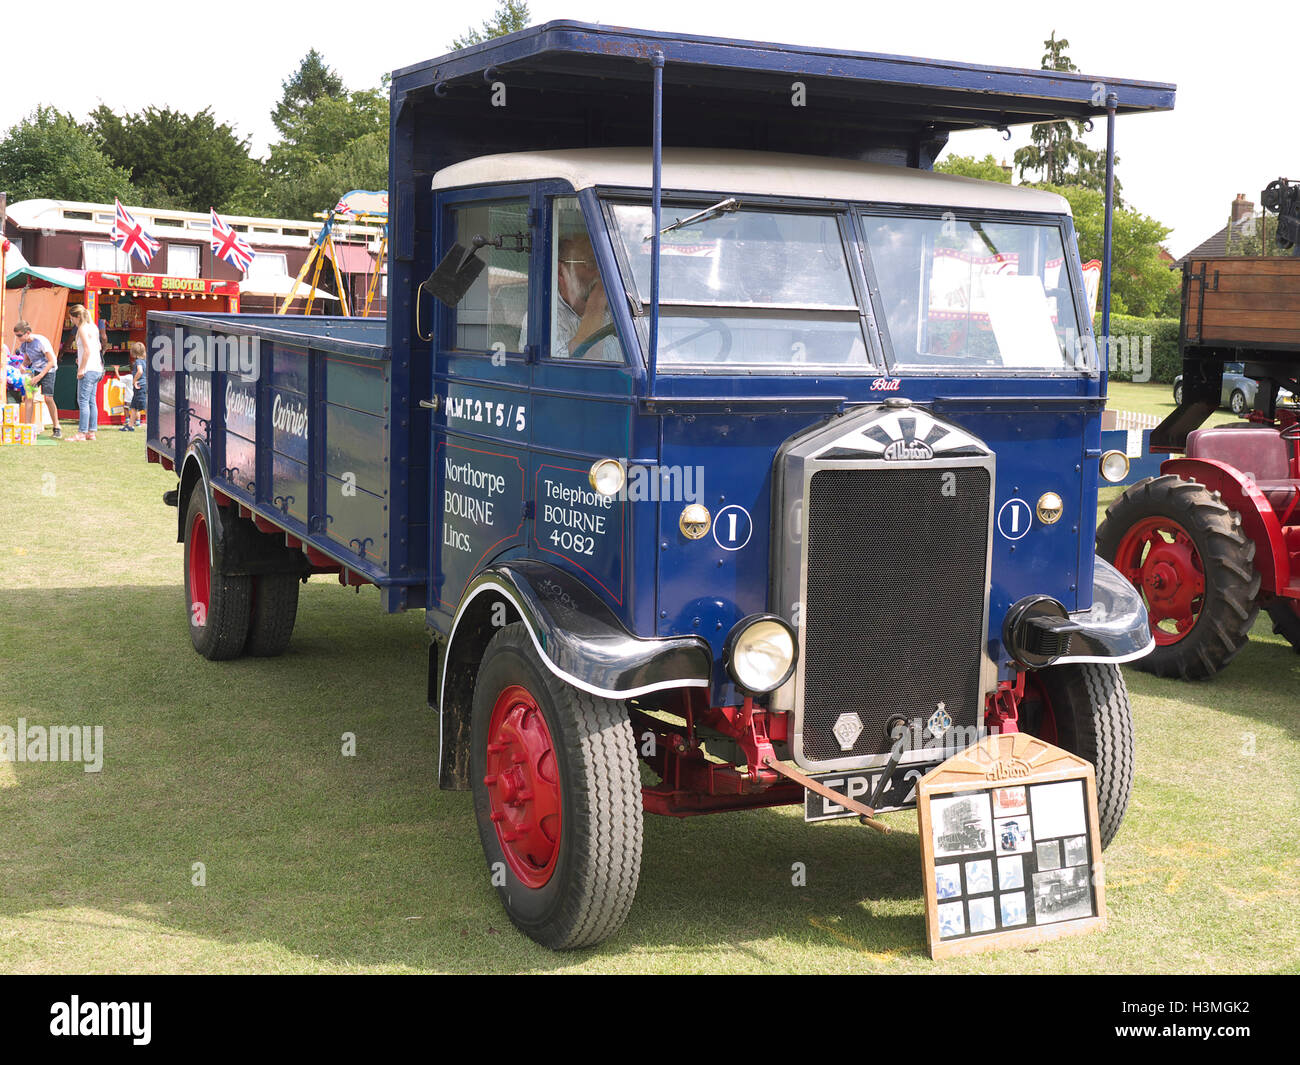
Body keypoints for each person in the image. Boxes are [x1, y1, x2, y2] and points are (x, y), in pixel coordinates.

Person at [12, 321, 61, 438]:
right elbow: (28, 360)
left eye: (19, 335)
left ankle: (57, 427)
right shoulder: (24, 344)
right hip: (35, 370)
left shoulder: (41, 341)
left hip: (49, 370)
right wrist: (23, 365)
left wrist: (39, 377)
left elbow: (51, 362)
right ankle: (28, 427)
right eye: (16, 336)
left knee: (48, 398)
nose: (18, 338)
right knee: (29, 397)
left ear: (27, 333)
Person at [68, 304, 103, 441]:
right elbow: (98, 347)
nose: (72, 322)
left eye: (72, 319)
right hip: (96, 368)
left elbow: (87, 350)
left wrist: (81, 368)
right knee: (91, 401)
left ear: (77, 317)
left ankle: (82, 433)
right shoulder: (93, 327)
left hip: (88, 369)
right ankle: (91, 432)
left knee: (83, 400)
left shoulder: (82, 328)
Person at [121, 341, 146, 431]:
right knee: (134, 406)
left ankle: (152, 426)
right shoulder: (144, 361)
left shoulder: (138, 362)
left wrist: (134, 381)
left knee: (143, 406)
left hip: (140, 386)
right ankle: (130, 425)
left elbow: (140, 371)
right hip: (142, 386)